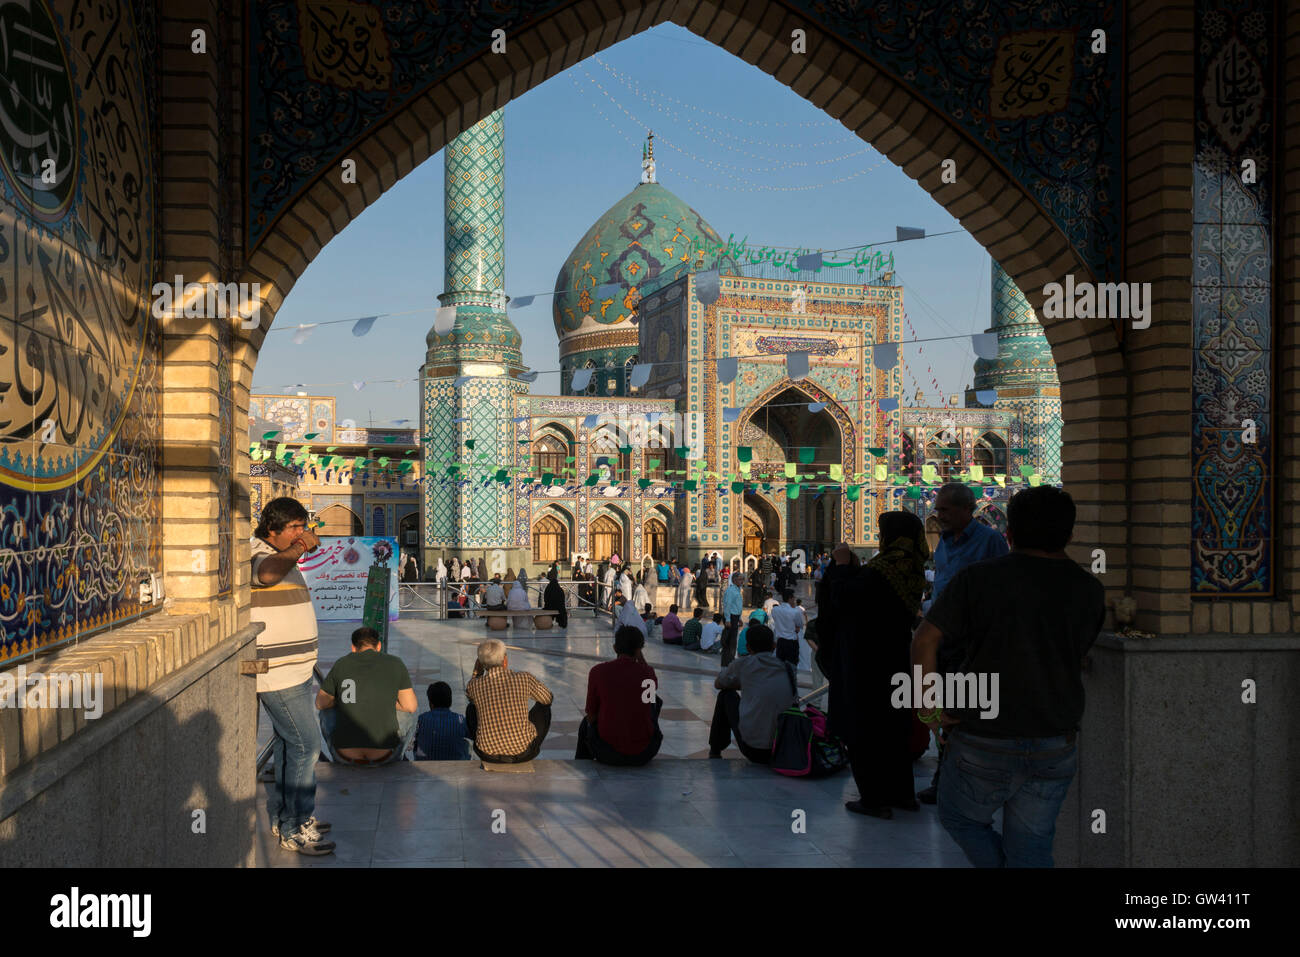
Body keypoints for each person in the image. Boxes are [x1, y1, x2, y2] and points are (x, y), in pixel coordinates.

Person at [914, 486, 1105, 867]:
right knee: (1031, 845)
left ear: (1009, 533)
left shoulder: (978, 580)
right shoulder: (1090, 589)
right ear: (1070, 535)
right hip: (1055, 737)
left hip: (984, 735)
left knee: (960, 818)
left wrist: (928, 708)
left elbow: (925, 640)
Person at [819, 517, 929, 820]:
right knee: (893, 728)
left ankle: (873, 799)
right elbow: (869, 596)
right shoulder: (911, 566)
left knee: (862, 728)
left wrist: (842, 565)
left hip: (865, 660)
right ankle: (902, 794)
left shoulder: (884, 568)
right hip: (895, 657)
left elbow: (844, 599)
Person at [917, 483, 1011, 804]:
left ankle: (967, 782)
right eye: (938, 509)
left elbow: (1003, 592)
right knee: (946, 715)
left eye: (944, 510)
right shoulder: (943, 544)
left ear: (964, 510)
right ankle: (946, 780)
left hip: (972, 643)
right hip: (944, 641)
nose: (938, 515)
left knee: (967, 717)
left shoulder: (990, 541)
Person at [251, 497, 334, 855]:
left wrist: (296, 547)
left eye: (304, 526)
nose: (303, 534)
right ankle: (293, 827)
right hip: (277, 673)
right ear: (273, 529)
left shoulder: (283, 553)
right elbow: (266, 575)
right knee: (307, 744)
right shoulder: (255, 551)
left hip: (295, 670)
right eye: (295, 528)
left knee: (289, 746)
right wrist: (300, 546)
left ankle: (290, 815)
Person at [317, 626, 419, 766]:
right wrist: (386, 700)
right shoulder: (395, 663)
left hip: (344, 756)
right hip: (385, 756)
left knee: (326, 712)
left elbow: (320, 703)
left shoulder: (341, 664)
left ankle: (336, 757)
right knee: (410, 712)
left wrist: (344, 700)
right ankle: (399, 756)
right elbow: (410, 706)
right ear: (378, 646)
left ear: (353, 647)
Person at [707, 624, 797, 763]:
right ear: (774, 646)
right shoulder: (787, 668)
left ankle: (715, 749)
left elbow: (719, 683)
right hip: (783, 747)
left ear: (748, 647)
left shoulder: (743, 664)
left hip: (755, 749)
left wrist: (744, 683)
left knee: (726, 695)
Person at [575, 626, 663, 766]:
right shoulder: (648, 673)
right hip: (645, 752)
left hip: (608, 753)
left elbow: (591, 716)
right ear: (640, 649)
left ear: (615, 648)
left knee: (585, 724)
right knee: (653, 700)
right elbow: (651, 706)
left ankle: (582, 766)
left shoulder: (598, 672)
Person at [465, 638, 553, 764]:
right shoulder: (524, 678)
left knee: (471, 707)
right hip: (523, 753)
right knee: (544, 705)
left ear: (481, 663)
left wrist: (477, 673)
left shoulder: (474, 685)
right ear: (505, 660)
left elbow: (469, 695)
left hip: (488, 754)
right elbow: (548, 698)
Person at [415, 681, 471, 760]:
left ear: (431, 703)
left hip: (425, 764)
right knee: (466, 744)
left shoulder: (421, 719)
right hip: (455, 764)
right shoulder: (460, 720)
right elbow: (472, 735)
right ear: (450, 701)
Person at [769, 589, 804, 667]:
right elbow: (800, 624)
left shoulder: (775, 610)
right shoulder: (795, 611)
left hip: (780, 642)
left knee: (781, 666)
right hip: (791, 642)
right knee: (792, 666)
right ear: (790, 598)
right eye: (793, 598)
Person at [721, 573, 744, 666]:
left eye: (742, 579)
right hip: (730, 616)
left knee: (733, 639)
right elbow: (727, 605)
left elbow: (737, 605)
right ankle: (727, 660)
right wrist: (727, 619)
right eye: (740, 579)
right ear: (734, 580)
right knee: (729, 639)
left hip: (735, 616)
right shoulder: (731, 590)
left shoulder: (737, 590)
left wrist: (740, 618)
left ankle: (731, 658)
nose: (741, 581)